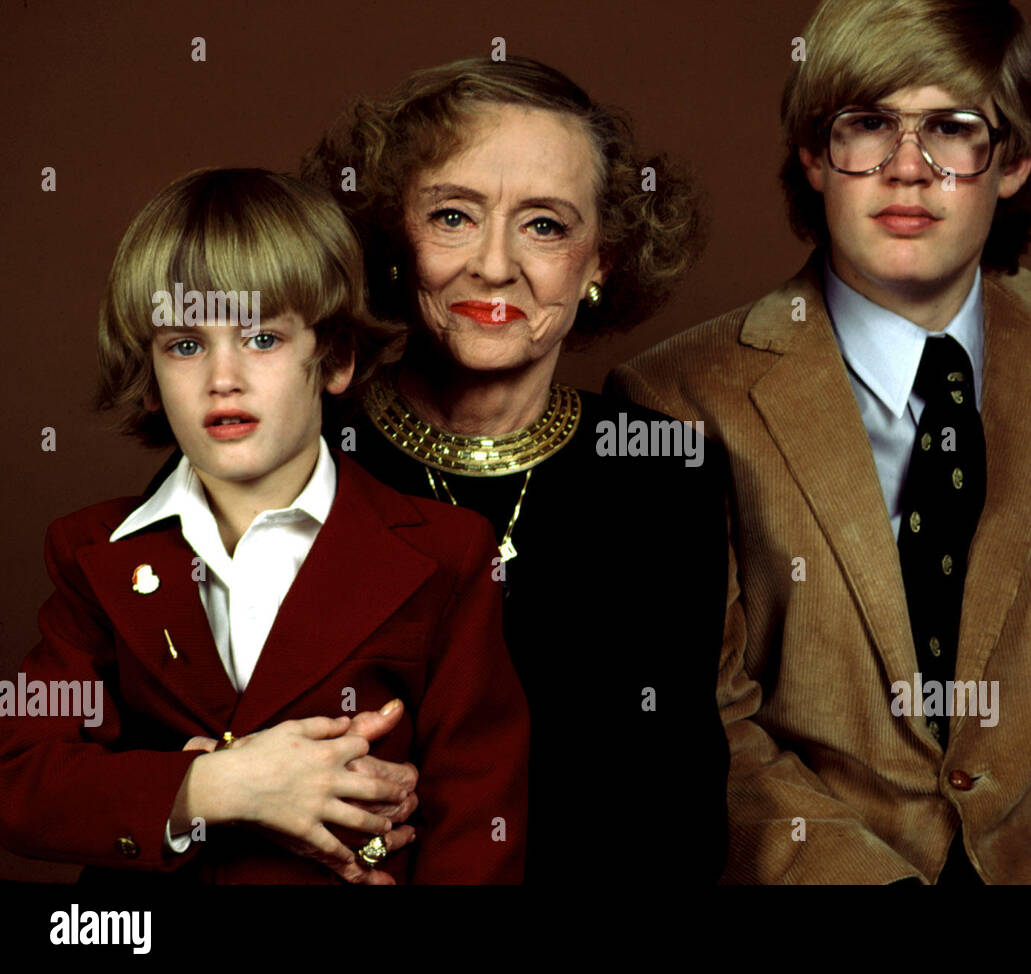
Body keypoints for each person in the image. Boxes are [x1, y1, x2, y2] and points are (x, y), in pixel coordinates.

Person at [606, 0, 1031, 884]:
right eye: (867, 126)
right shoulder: (675, 394)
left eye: (952, 128)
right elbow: (699, 722)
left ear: (1011, 162)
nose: (907, 168)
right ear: (815, 157)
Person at [0, 168, 529, 884]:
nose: (224, 377)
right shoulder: (95, 553)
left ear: (335, 358)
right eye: (185, 345)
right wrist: (218, 786)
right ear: (151, 375)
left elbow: (478, 823)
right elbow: (20, 776)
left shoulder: (445, 552)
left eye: (261, 337)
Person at [301, 56, 731, 883]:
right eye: (454, 216)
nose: (493, 267)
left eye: (545, 225)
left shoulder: (666, 472)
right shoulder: (295, 444)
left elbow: (675, 794)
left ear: (601, 260)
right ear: (396, 234)